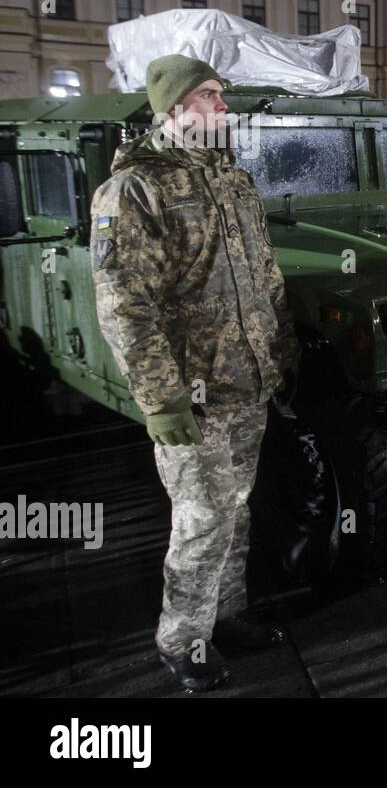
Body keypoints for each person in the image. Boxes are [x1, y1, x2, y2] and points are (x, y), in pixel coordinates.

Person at [91, 55, 299, 693]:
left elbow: (265, 278)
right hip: (193, 397)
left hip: (247, 383)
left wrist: (282, 354)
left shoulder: (231, 181)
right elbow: (126, 308)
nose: (224, 108)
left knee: (235, 512)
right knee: (201, 518)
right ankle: (182, 641)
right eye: (211, 96)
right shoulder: (133, 191)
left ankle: (225, 616)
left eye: (221, 96)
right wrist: (162, 400)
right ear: (176, 108)